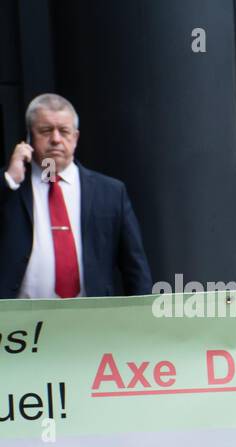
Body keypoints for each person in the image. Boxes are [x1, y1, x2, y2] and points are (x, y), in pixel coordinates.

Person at [2, 93, 151, 299]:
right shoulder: (11, 188)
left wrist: (143, 321)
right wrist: (9, 180)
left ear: (76, 138)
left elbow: (135, 268)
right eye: (45, 131)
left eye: (64, 131)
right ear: (28, 138)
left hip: (90, 320)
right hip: (21, 324)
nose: (56, 139)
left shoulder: (110, 192)